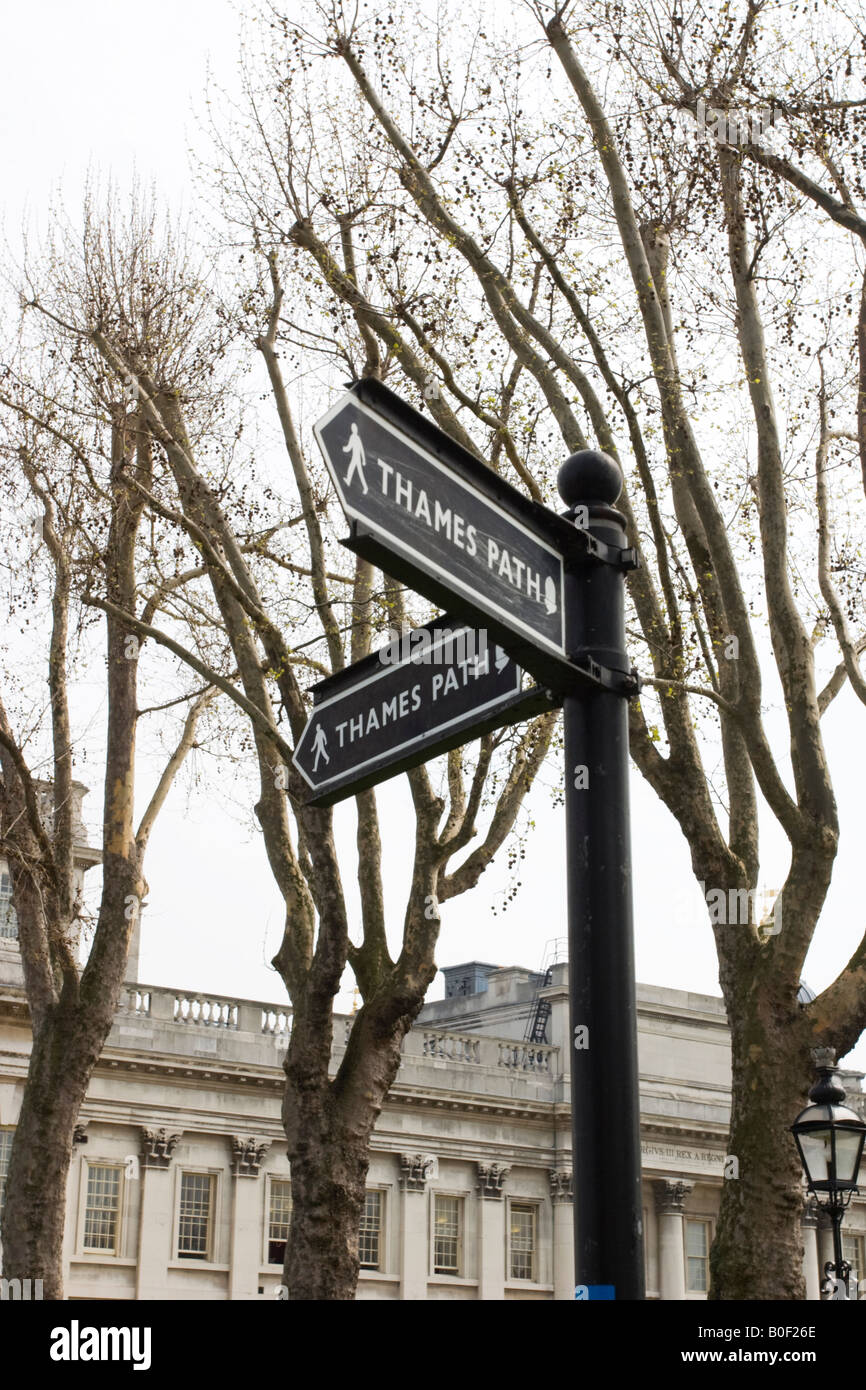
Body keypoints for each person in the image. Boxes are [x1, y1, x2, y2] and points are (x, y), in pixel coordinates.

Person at [342, 422, 369, 494]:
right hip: (355, 457)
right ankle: (348, 480)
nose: (355, 429)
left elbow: (360, 449)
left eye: (355, 428)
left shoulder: (355, 437)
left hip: (357, 457)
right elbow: (350, 447)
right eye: (353, 428)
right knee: (351, 468)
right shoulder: (354, 437)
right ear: (352, 429)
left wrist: (364, 460)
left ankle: (365, 487)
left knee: (360, 473)